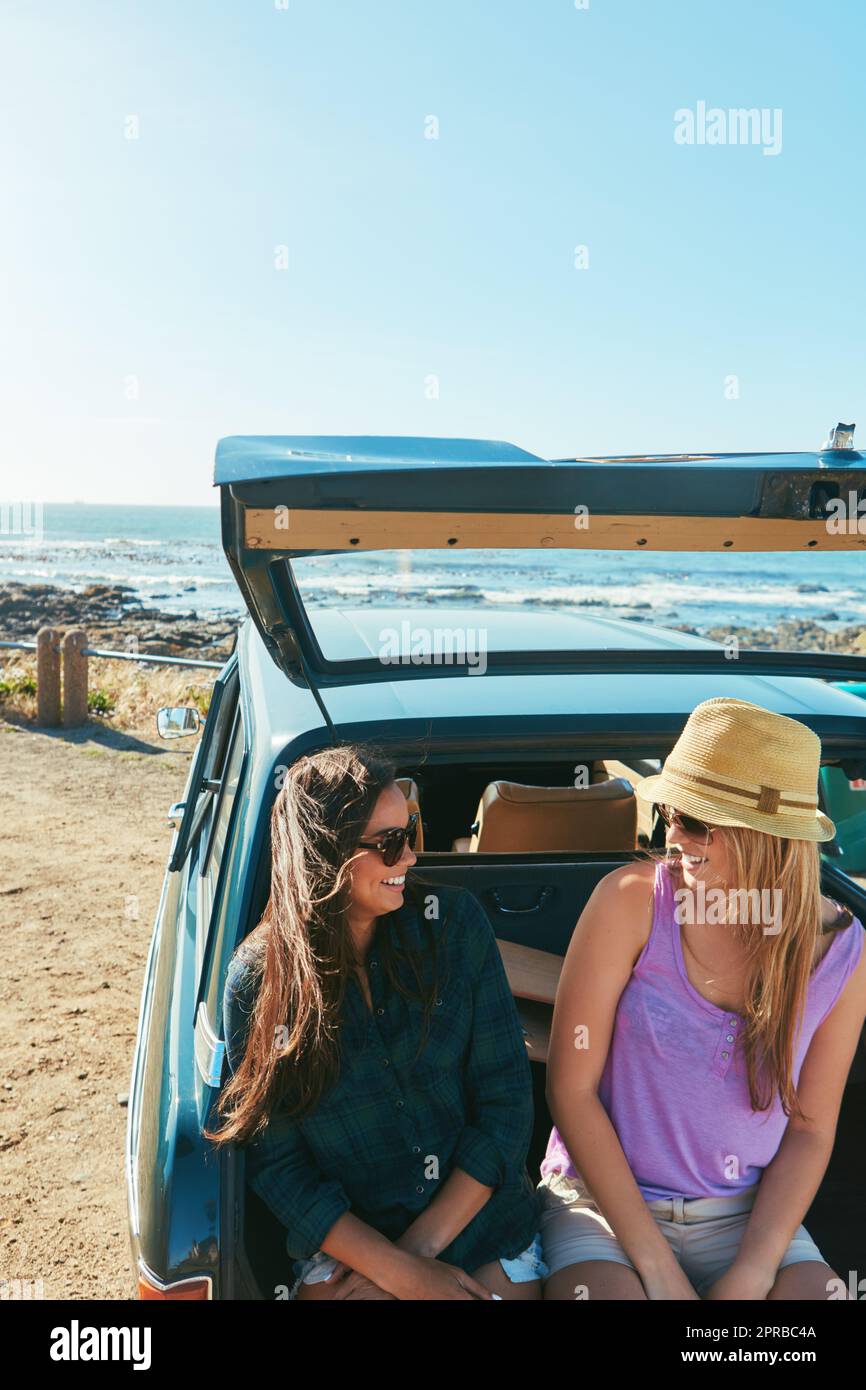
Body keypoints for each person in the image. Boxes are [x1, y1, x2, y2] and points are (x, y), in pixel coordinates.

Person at [540, 696, 866, 1301]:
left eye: (693, 821)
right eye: (668, 813)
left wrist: (754, 1272)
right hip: (603, 1205)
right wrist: (659, 1273)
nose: (672, 837)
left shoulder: (844, 950)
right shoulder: (631, 901)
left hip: (749, 1216)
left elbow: (811, 1129)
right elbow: (571, 1090)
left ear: (766, 837)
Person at [205, 743, 546, 1300]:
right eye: (388, 843)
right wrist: (393, 1270)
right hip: (349, 1251)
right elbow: (281, 1167)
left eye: (410, 833)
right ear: (326, 853)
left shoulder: (455, 927)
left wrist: (410, 1263)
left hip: (483, 1225)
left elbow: (506, 1107)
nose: (409, 857)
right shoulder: (259, 981)